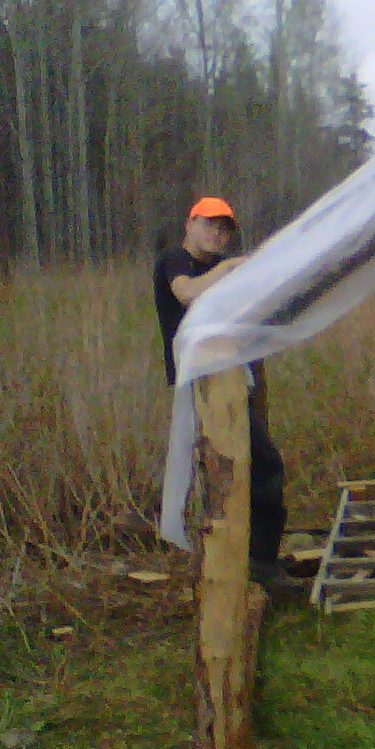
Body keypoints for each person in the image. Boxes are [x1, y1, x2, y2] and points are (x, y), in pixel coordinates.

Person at [154, 197, 291, 589]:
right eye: (211, 225)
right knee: (262, 468)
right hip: (206, 387)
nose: (219, 234)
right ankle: (257, 566)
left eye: (225, 228)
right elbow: (185, 293)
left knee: (241, 470)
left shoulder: (216, 267)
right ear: (190, 223)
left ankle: (246, 563)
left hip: (232, 379)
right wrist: (233, 267)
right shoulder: (175, 261)